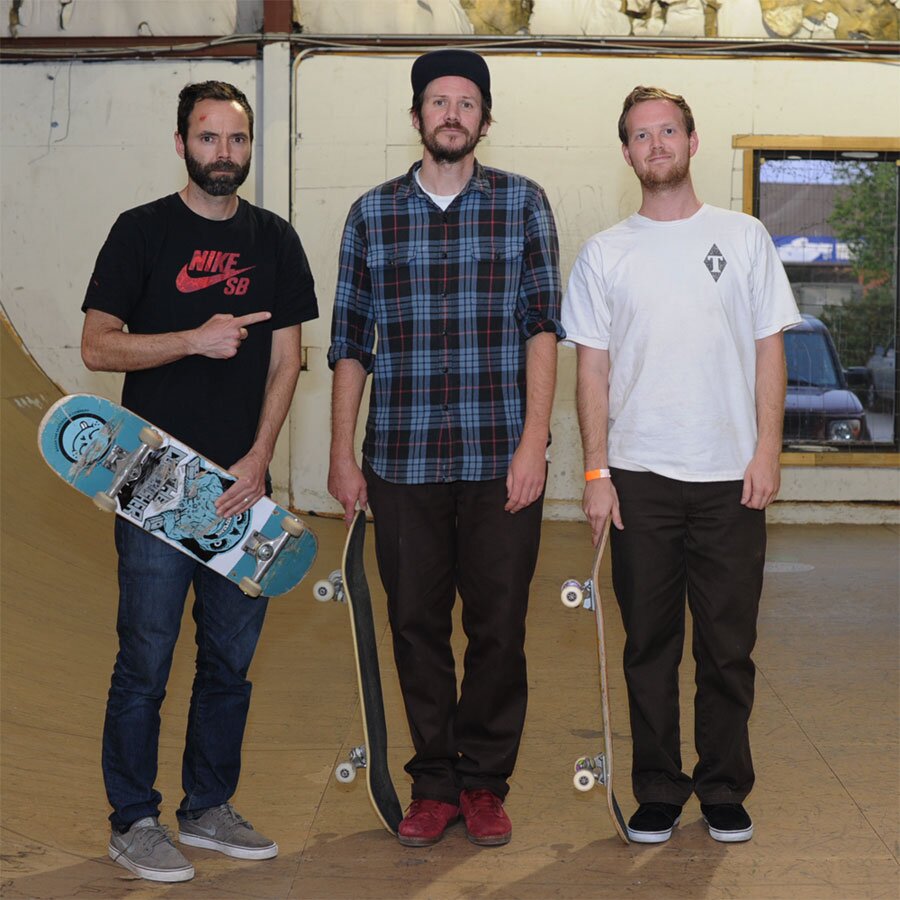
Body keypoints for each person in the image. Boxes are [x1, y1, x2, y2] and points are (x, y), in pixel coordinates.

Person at [80, 81, 318, 882]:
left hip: (241, 487)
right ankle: (133, 819)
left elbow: (287, 360)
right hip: (154, 481)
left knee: (228, 663)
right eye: (209, 137)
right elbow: (98, 347)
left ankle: (208, 806)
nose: (225, 153)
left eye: (237, 139)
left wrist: (259, 456)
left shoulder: (275, 240)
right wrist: (192, 338)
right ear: (182, 143)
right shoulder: (141, 231)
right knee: (145, 661)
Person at [327, 49, 563, 848]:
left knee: (499, 627)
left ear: (484, 120)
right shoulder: (371, 215)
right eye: (438, 101)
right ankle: (434, 783)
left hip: (501, 458)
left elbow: (542, 328)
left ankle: (485, 782)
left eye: (466, 102)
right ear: (417, 117)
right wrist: (342, 454)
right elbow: (350, 342)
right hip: (402, 459)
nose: (452, 114)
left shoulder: (524, 204)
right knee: (415, 625)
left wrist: (534, 444)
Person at [562, 86, 800, 845]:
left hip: (731, 478)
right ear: (626, 152)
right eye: (641, 135)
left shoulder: (745, 237)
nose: (656, 144)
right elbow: (592, 370)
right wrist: (596, 474)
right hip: (639, 480)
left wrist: (767, 450)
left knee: (728, 649)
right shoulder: (606, 253)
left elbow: (769, 348)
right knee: (649, 647)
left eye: (668, 130)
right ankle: (659, 789)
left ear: (693, 143)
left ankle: (724, 787)